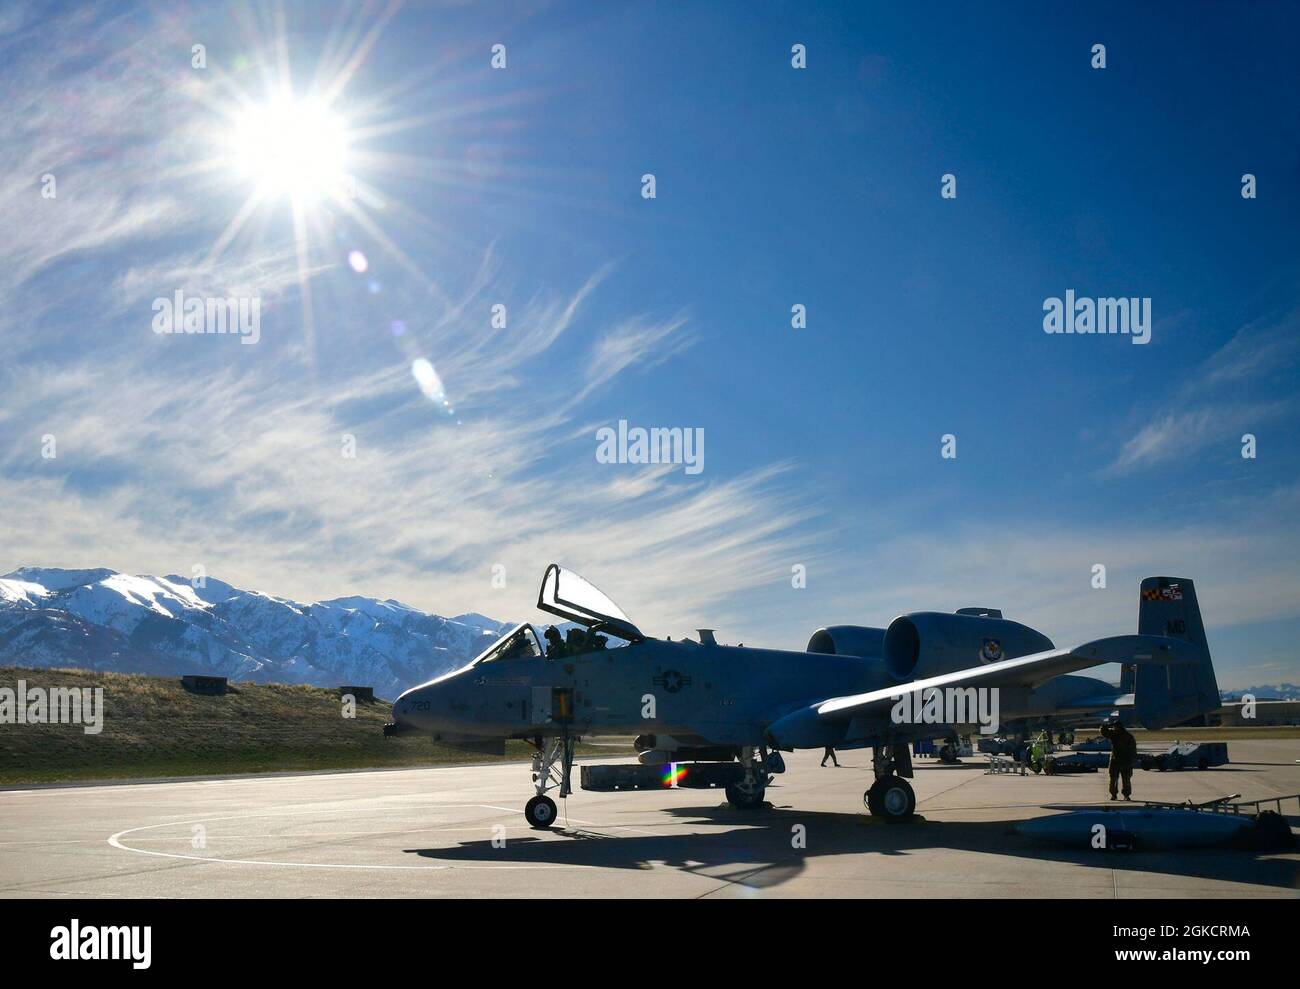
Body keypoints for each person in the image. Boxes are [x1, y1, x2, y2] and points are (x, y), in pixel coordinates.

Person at [1100, 718, 1137, 800]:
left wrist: (1108, 725)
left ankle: (1117, 795)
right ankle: (1124, 795)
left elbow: (1103, 731)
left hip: (1118, 761)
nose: (1114, 728)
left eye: (1115, 727)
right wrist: (1133, 759)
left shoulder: (1114, 734)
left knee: (1117, 779)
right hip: (1121, 761)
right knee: (1122, 779)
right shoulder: (1127, 735)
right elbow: (1133, 749)